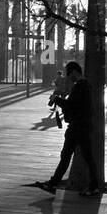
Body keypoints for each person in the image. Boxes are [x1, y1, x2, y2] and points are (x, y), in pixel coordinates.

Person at [41, 61, 100, 196]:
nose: (68, 76)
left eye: (68, 73)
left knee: (67, 156)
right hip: (83, 126)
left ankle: (53, 184)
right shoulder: (85, 85)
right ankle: (93, 186)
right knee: (86, 157)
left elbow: (71, 105)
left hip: (77, 127)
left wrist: (57, 100)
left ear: (74, 71)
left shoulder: (80, 86)